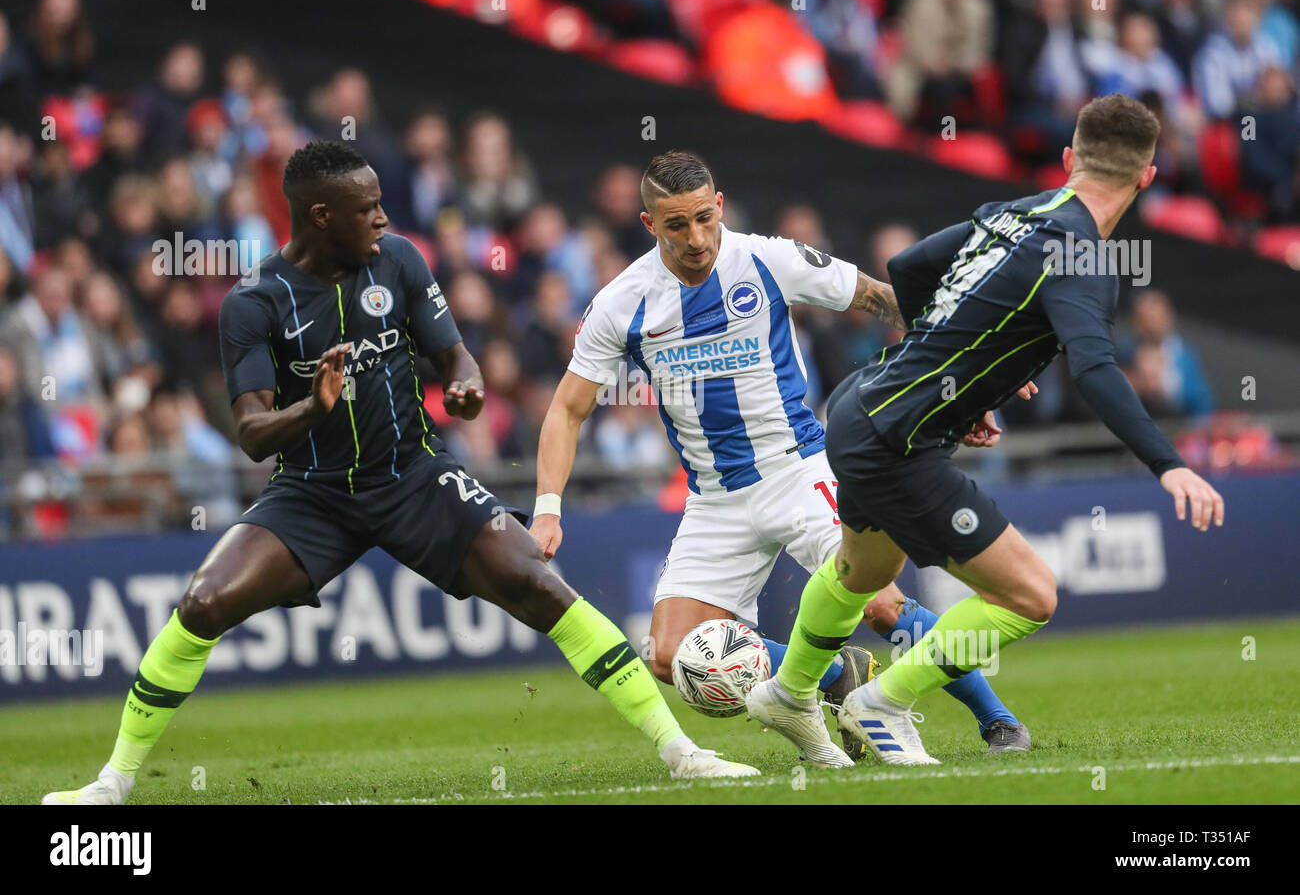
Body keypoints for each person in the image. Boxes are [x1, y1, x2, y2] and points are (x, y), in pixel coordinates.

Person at [42, 141, 755, 805]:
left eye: (383, 203)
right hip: (310, 494)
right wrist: (312, 409)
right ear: (322, 217)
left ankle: (681, 751)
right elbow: (254, 433)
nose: (384, 216)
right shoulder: (253, 303)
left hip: (414, 475)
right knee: (202, 604)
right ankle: (111, 785)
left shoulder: (401, 261)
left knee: (540, 584)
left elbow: (454, 356)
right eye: (367, 208)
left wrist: (467, 385)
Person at [746, 94, 1224, 765]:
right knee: (1029, 595)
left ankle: (789, 692)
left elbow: (909, 268)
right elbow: (1095, 369)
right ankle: (881, 704)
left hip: (859, 409)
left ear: (1067, 160)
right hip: (896, 442)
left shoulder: (1013, 212)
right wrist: (1168, 463)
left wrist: (959, 383)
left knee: (862, 570)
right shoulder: (1083, 255)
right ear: (1148, 177)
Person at [531, 151, 1030, 767]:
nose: (696, 239)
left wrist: (975, 382)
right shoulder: (622, 302)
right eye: (676, 225)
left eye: (704, 219)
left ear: (720, 207)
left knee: (881, 602)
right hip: (715, 498)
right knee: (669, 655)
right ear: (648, 224)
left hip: (799, 470)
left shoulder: (767, 258)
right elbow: (566, 410)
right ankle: (834, 677)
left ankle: (998, 719)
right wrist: (547, 509)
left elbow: (885, 302)